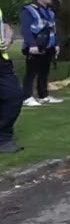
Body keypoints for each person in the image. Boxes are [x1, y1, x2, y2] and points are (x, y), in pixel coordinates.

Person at [20, 0, 61, 107]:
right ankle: (27, 97)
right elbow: (25, 29)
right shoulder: (29, 10)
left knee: (44, 71)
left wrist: (56, 44)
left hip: (48, 45)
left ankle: (43, 95)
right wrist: (32, 45)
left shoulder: (50, 12)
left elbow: (53, 29)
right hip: (34, 46)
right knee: (31, 72)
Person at [0, 9, 24, 153]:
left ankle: (3, 138)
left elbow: (5, 26)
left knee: (13, 96)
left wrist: (8, 38)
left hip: (2, 61)